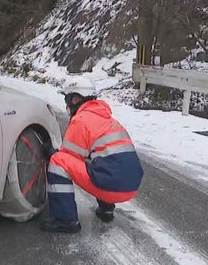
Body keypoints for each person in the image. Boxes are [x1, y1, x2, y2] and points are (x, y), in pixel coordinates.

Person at [42, 75, 144, 233]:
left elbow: (69, 156)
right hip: (131, 187)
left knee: (58, 161)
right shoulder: (109, 120)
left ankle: (65, 220)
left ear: (75, 99)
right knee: (99, 160)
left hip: (112, 188)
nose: (67, 107)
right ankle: (106, 209)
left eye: (67, 101)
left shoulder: (81, 120)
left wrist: (51, 153)